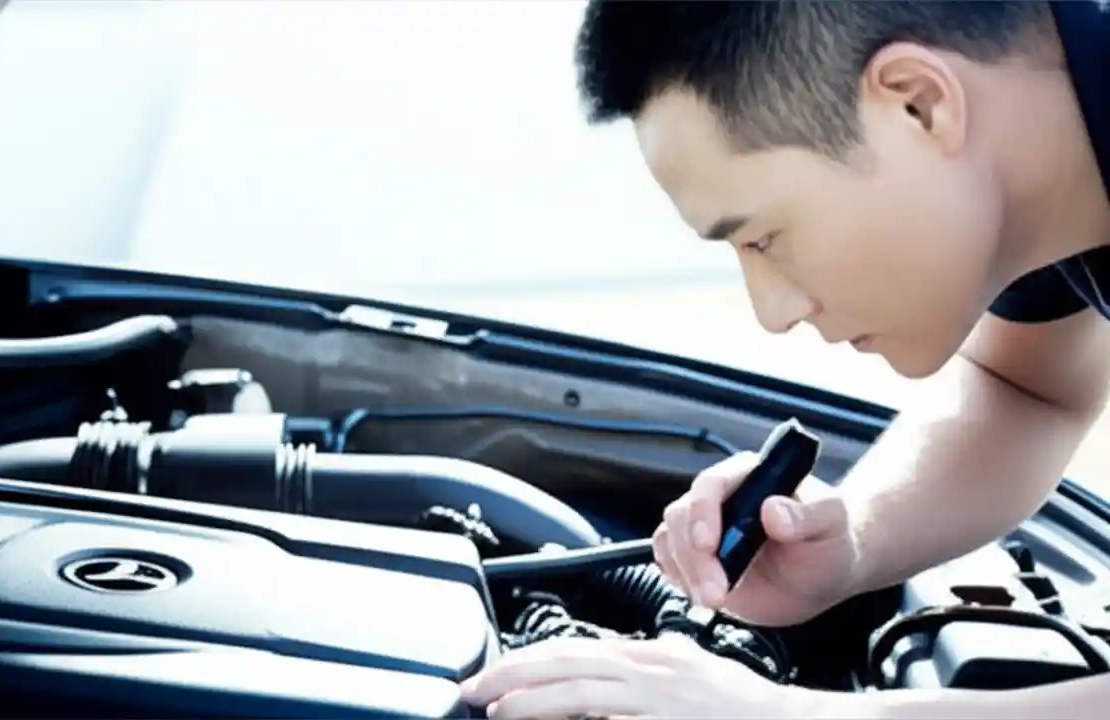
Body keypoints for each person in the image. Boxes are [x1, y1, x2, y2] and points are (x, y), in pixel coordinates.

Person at [459, 1, 1110, 718]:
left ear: (918, 104)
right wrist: (854, 543)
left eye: (764, 238)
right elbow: (1027, 388)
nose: (773, 313)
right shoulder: (1054, 146)